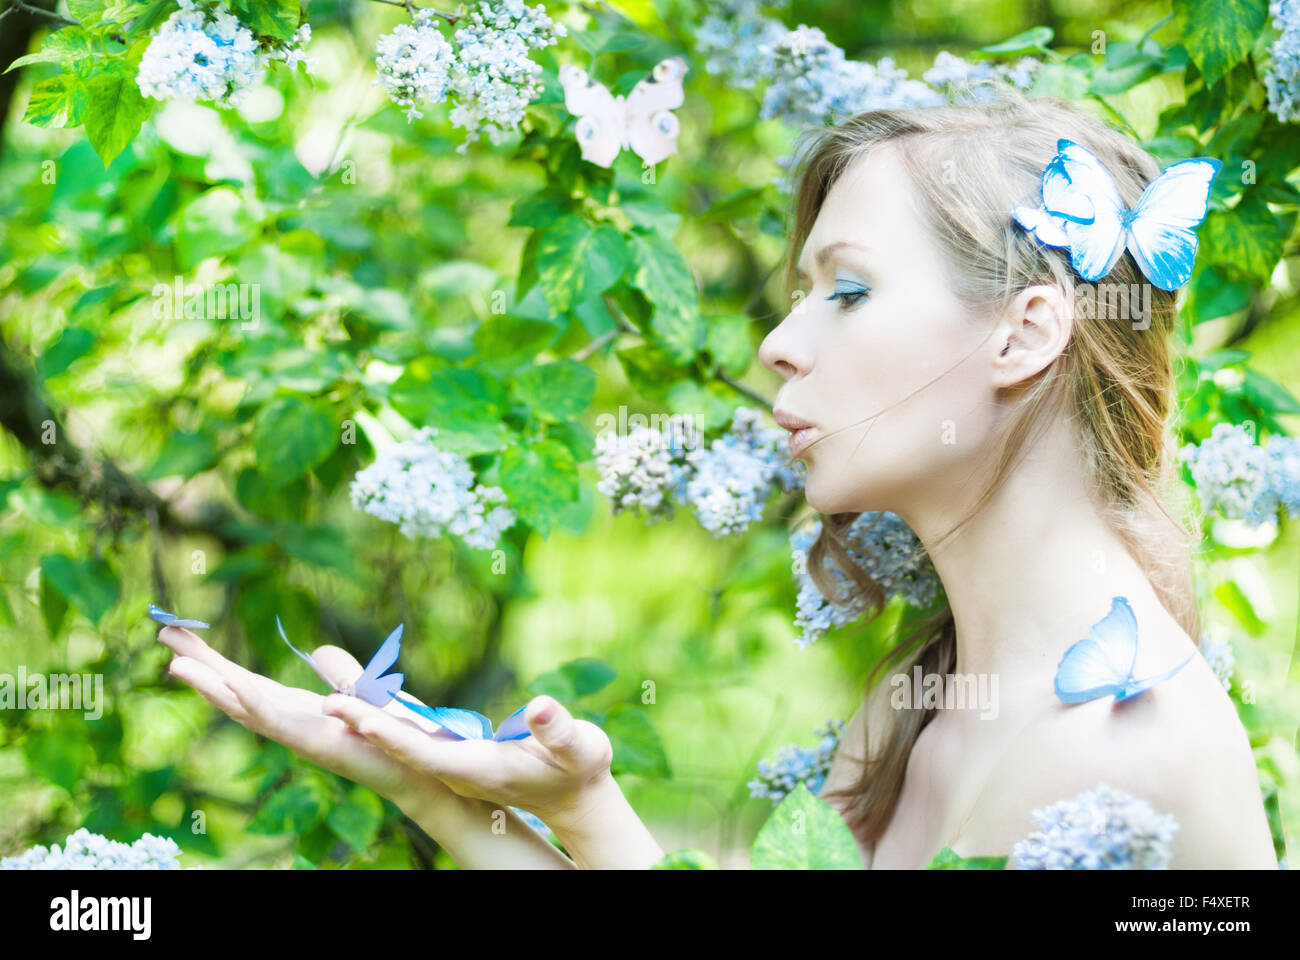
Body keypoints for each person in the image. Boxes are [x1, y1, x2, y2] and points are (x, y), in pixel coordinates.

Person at [161, 89, 1277, 869]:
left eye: (845, 291)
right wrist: (441, 788)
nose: (780, 344)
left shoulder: (1120, 752)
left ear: (1024, 333)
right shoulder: (921, 700)